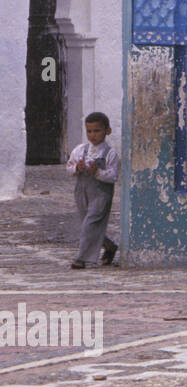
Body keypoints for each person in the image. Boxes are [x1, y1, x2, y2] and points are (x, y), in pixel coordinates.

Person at [66, 112, 120, 269]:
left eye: (97, 131)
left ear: (107, 131)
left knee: (90, 224)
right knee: (87, 224)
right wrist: (77, 167)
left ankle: (82, 258)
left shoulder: (110, 154)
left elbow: (113, 176)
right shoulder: (80, 150)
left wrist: (97, 172)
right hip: (82, 191)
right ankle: (109, 246)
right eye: (89, 131)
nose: (93, 135)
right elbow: (69, 168)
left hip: (101, 193)